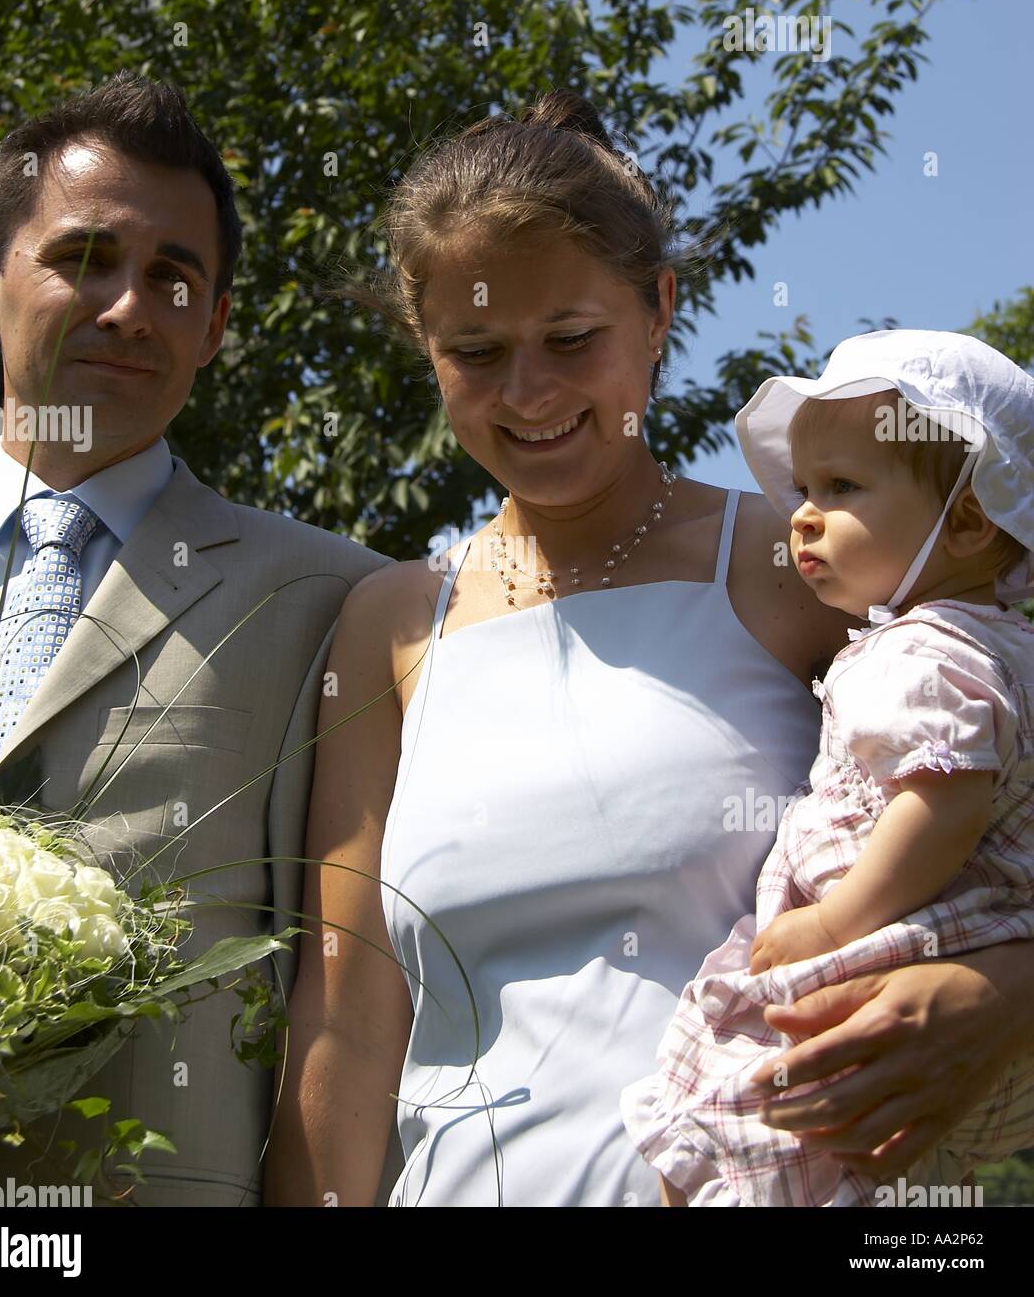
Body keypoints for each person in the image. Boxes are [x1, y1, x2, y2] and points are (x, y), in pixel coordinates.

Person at [263, 89, 1034, 1207]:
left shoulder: (804, 568)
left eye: (573, 339)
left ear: (661, 309)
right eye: (476, 351)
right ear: (425, 349)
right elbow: (344, 1008)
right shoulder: (388, 621)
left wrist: (1011, 992)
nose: (529, 394)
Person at [0, 72, 391, 1206]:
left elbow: (348, 987)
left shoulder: (339, 598)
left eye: (174, 279)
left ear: (218, 325)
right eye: (86, 258)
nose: (131, 306)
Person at [620, 329, 1034, 1206]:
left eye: (842, 488)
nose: (803, 513)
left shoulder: (921, 652)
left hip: (882, 956)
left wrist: (834, 922)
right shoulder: (998, 644)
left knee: (734, 1119)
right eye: (805, 487)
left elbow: (943, 804)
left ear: (965, 518)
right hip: (976, 970)